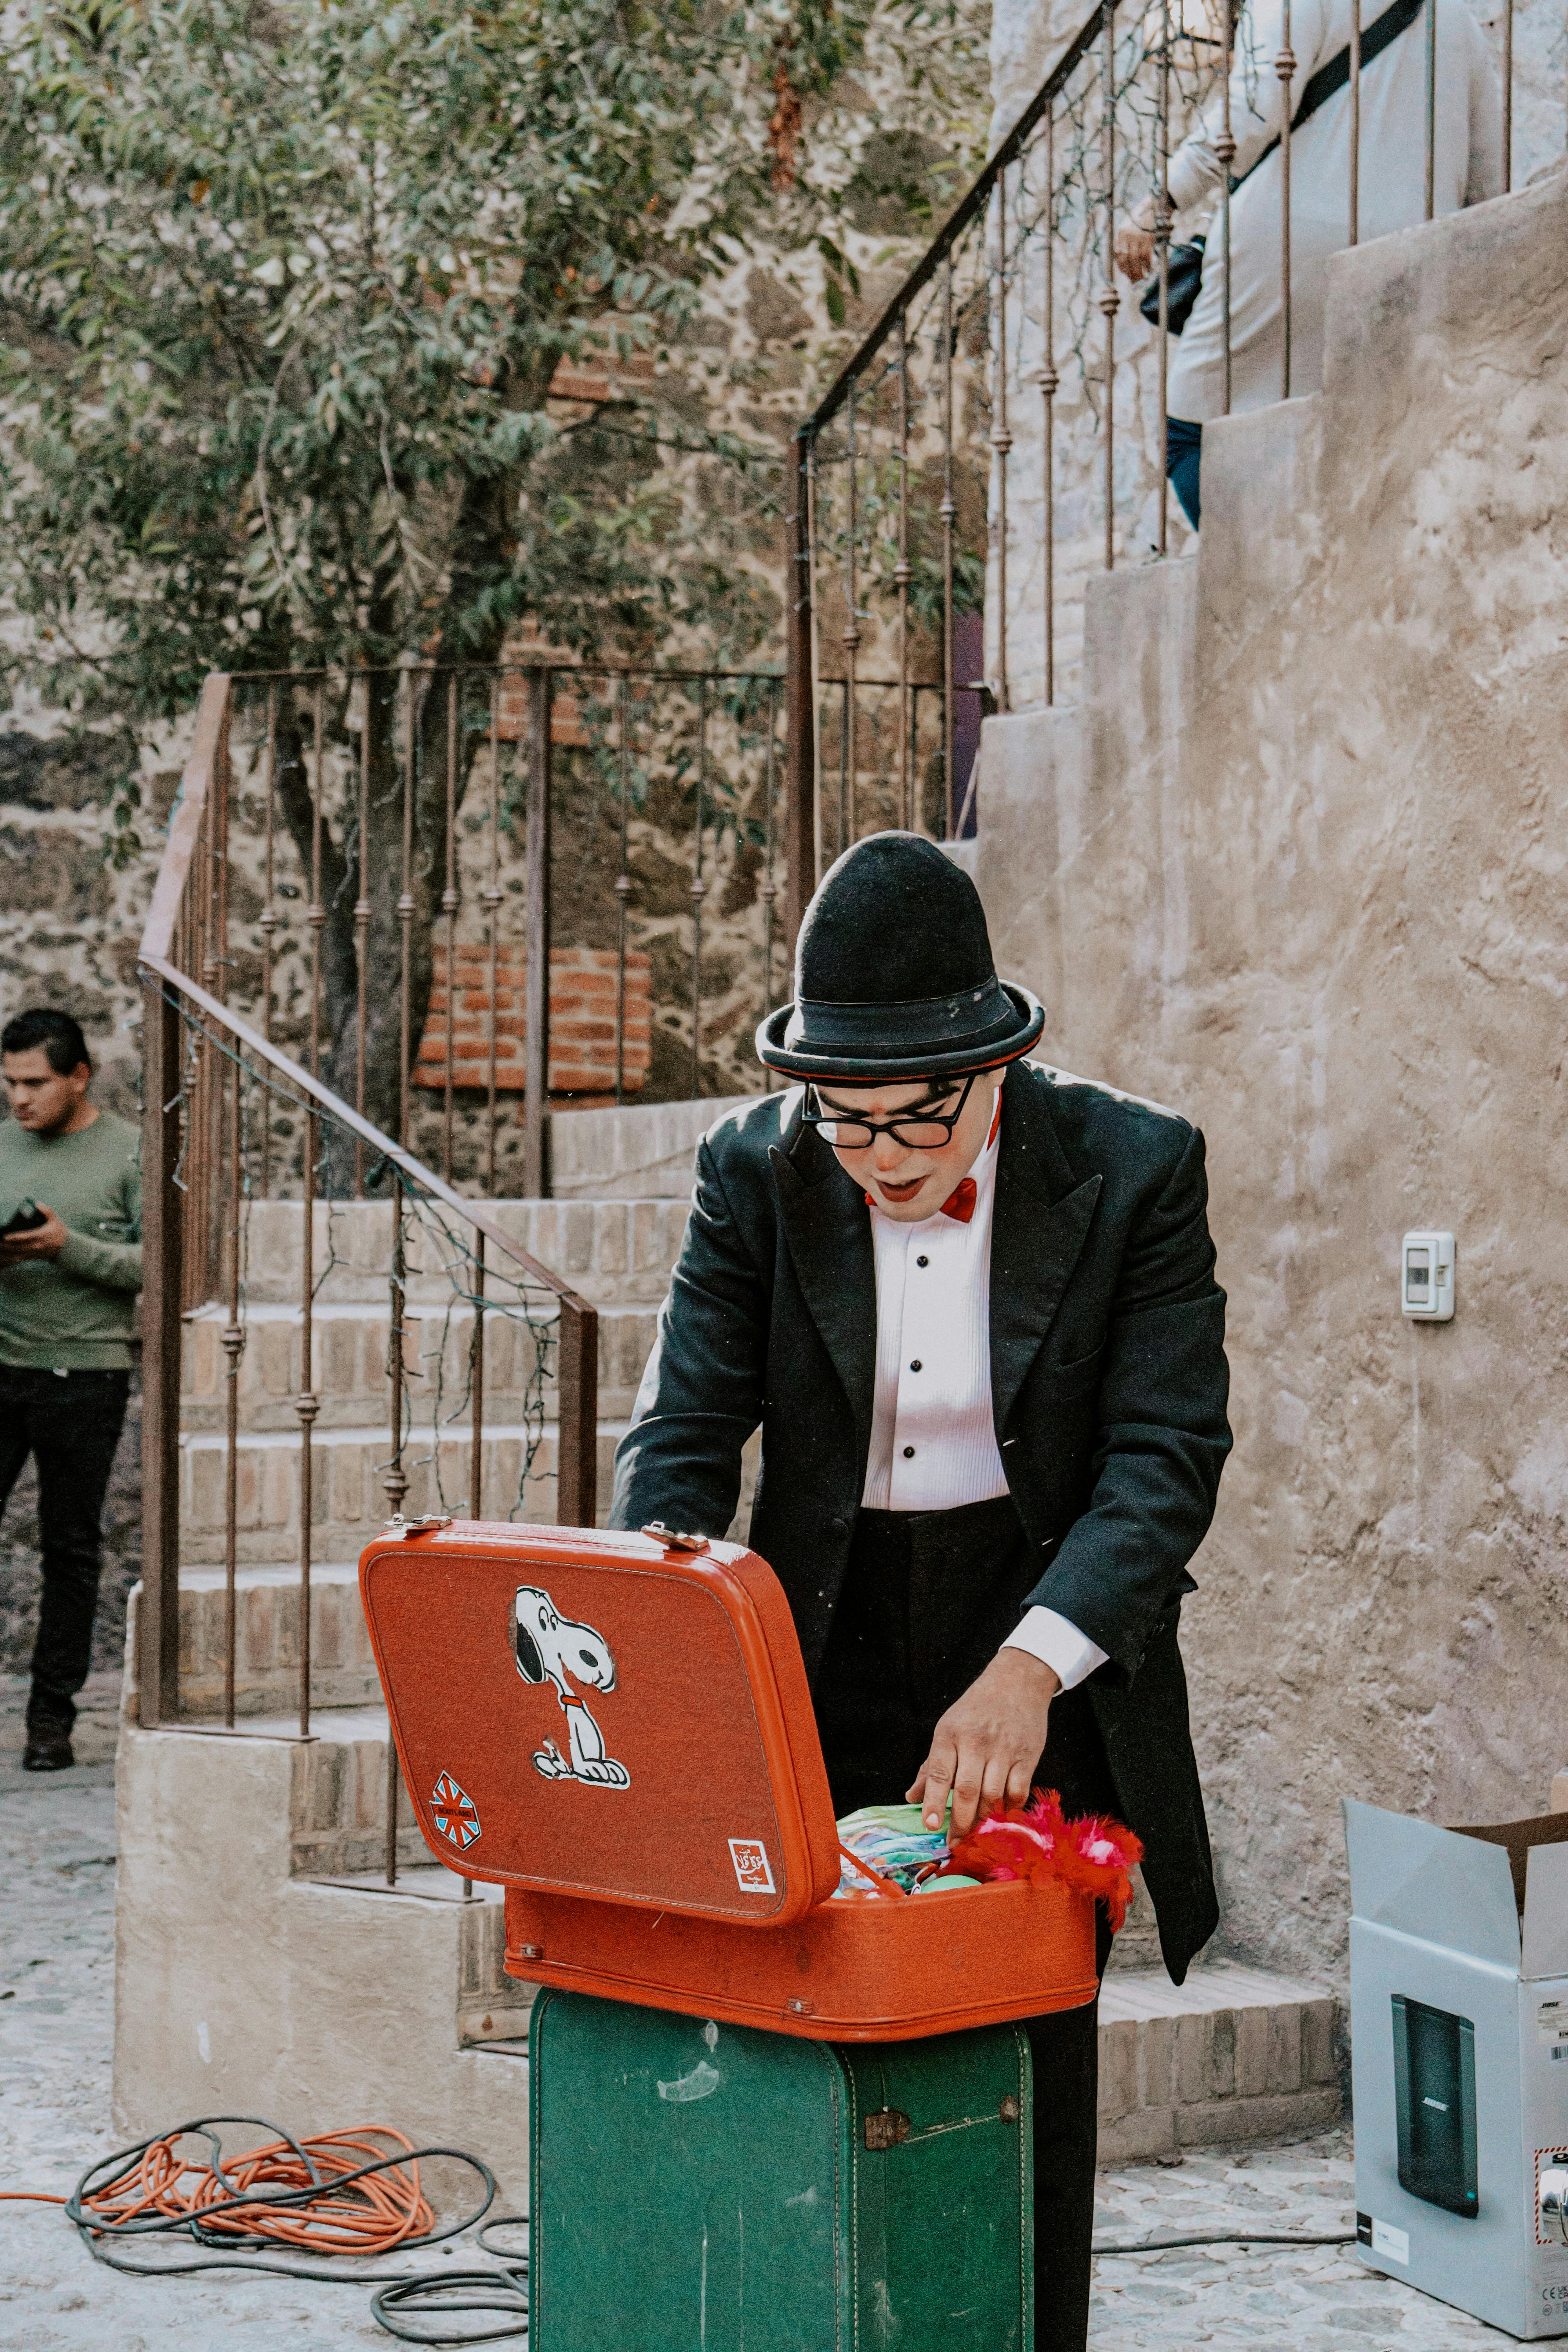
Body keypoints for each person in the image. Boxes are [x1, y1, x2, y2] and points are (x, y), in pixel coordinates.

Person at [610, 831, 1232, 2352]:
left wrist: (1029, 1674)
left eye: (914, 1122)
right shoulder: (753, 1168)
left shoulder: (1136, 1167)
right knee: (809, 2054)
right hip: (818, 1633)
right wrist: (670, 1640)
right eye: (845, 1122)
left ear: (994, 1065)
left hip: (1040, 1636)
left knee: (1025, 2072)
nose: (880, 1157)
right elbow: (681, 1440)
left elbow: (1163, 1460)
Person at [1115, 0, 1501, 527]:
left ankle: (1255, 576)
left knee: (1192, 428)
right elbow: (1489, 182)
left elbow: (1253, 108)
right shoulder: (1461, 26)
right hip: (1409, 255)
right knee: (1356, 428)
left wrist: (1159, 202)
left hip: (1286, 240)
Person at [0, 1008, 142, 1772]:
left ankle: (50, 1721)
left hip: (86, 1374)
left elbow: (157, 1266)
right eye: (9, 1082)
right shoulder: (0, 1143)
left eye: (35, 1083)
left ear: (79, 1076)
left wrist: (67, 1247)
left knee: (71, 1550)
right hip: (1, 1366)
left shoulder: (129, 1153)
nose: (19, 1099)